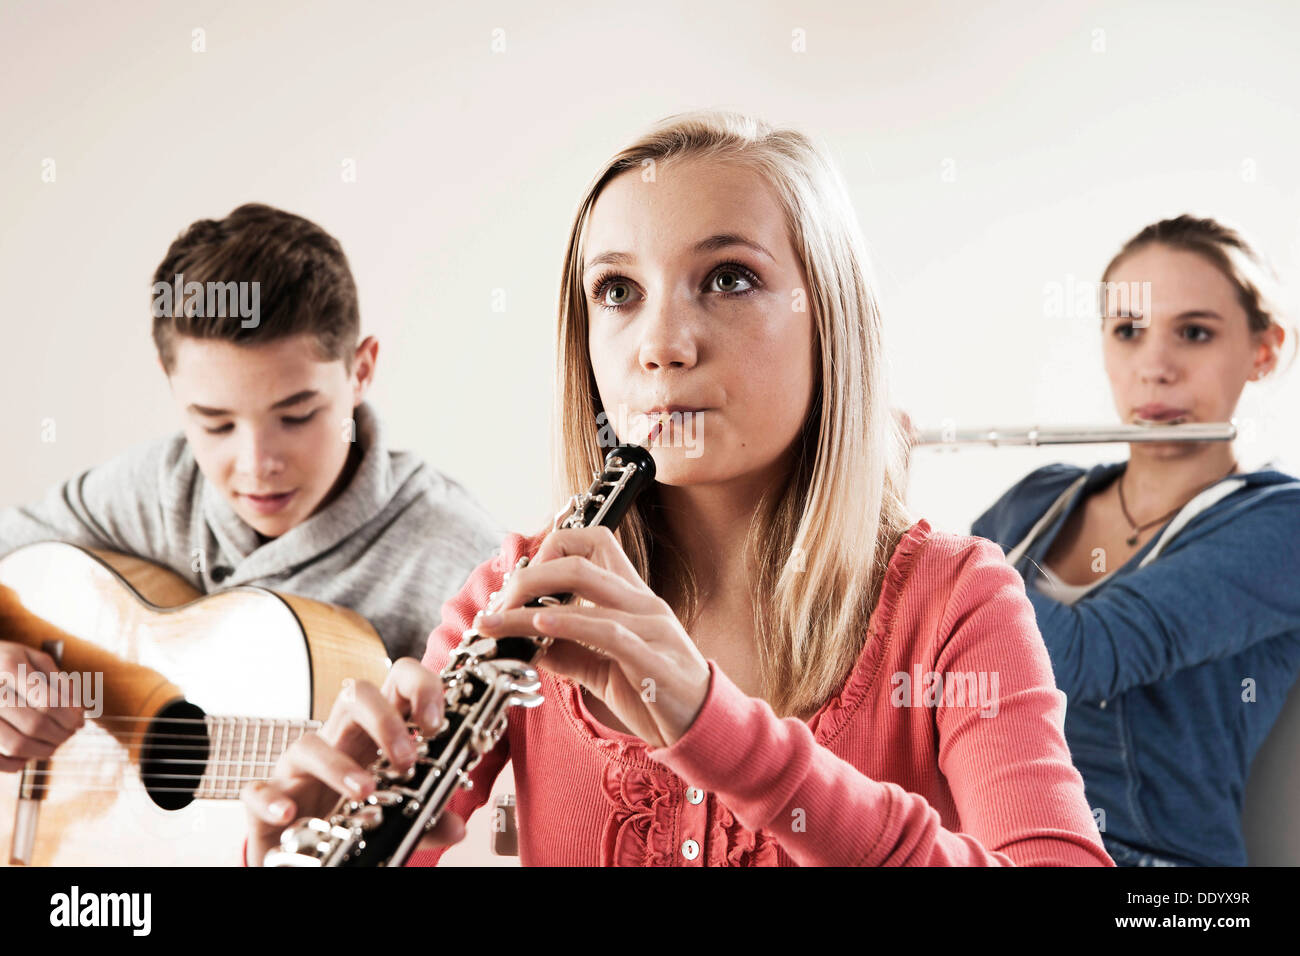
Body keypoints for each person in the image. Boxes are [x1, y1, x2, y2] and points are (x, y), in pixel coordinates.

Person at [242, 111, 1112, 867]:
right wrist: (305, 831)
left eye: (728, 278)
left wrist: (714, 724)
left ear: (832, 316)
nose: (660, 345)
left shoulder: (957, 602)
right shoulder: (515, 592)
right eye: (617, 291)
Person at [0, 203, 504, 775]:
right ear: (172, 386)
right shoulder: (163, 487)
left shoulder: (463, 564)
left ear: (360, 371)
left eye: (297, 416)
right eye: (215, 423)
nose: (256, 463)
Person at [971, 215, 1300, 866]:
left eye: (1195, 333)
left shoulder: (1282, 523)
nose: (1155, 367)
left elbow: (1083, 658)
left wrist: (884, 510)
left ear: (1264, 350)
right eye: (1129, 332)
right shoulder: (1039, 498)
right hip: (984, 849)